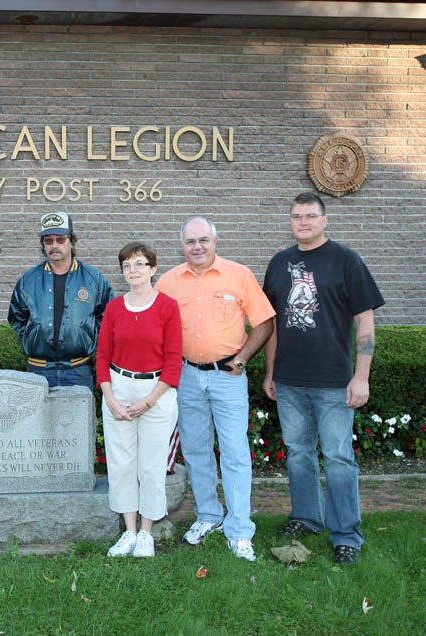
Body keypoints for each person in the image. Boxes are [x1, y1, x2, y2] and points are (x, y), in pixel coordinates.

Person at [262, 192, 384, 565]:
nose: (303, 222)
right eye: (297, 216)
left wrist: (360, 377)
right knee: (298, 455)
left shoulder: (346, 260)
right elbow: (273, 325)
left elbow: (365, 321)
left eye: (310, 215)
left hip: (334, 381)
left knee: (337, 458)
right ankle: (306, 518)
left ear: (324, 219)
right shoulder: (280, 263)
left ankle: (346, 534)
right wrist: (270, 373)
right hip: (289, 381)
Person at [155, 216, 275, 562]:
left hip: (228, 375)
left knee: (235, 452)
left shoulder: (239, 275)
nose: (197, 247)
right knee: (195, 450)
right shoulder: (168, 282)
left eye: (203, 240)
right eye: (191, 241)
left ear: (215, 241)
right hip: (187, 375)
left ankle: (239, 529)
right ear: (182, 246)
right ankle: (208, 516)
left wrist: (242, 360)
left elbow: (265, 322)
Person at [96, 243, 182, 558]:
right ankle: (129, 532)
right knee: (121, 465)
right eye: (127, 266)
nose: (133, 270)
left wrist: (148, 401)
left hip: (156, 392)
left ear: (153, 269)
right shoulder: (114, 308)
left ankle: (147, 532)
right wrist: (111, 399)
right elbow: (102, 357)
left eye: (140, 264)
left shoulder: (167, 307)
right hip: (119, 389)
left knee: (151, 465)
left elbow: (174, 361)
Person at [7, 211, 113, 391]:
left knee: (78, 420)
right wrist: (33, 336)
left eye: (60, 239)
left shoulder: (93, 279)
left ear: (71, 241)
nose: (54, 245)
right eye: (48, 240)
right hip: (38, 371)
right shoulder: (29, 280)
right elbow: (16, 318)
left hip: (78, 370)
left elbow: (108, 318)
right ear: (43, 245)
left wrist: (88, 337)